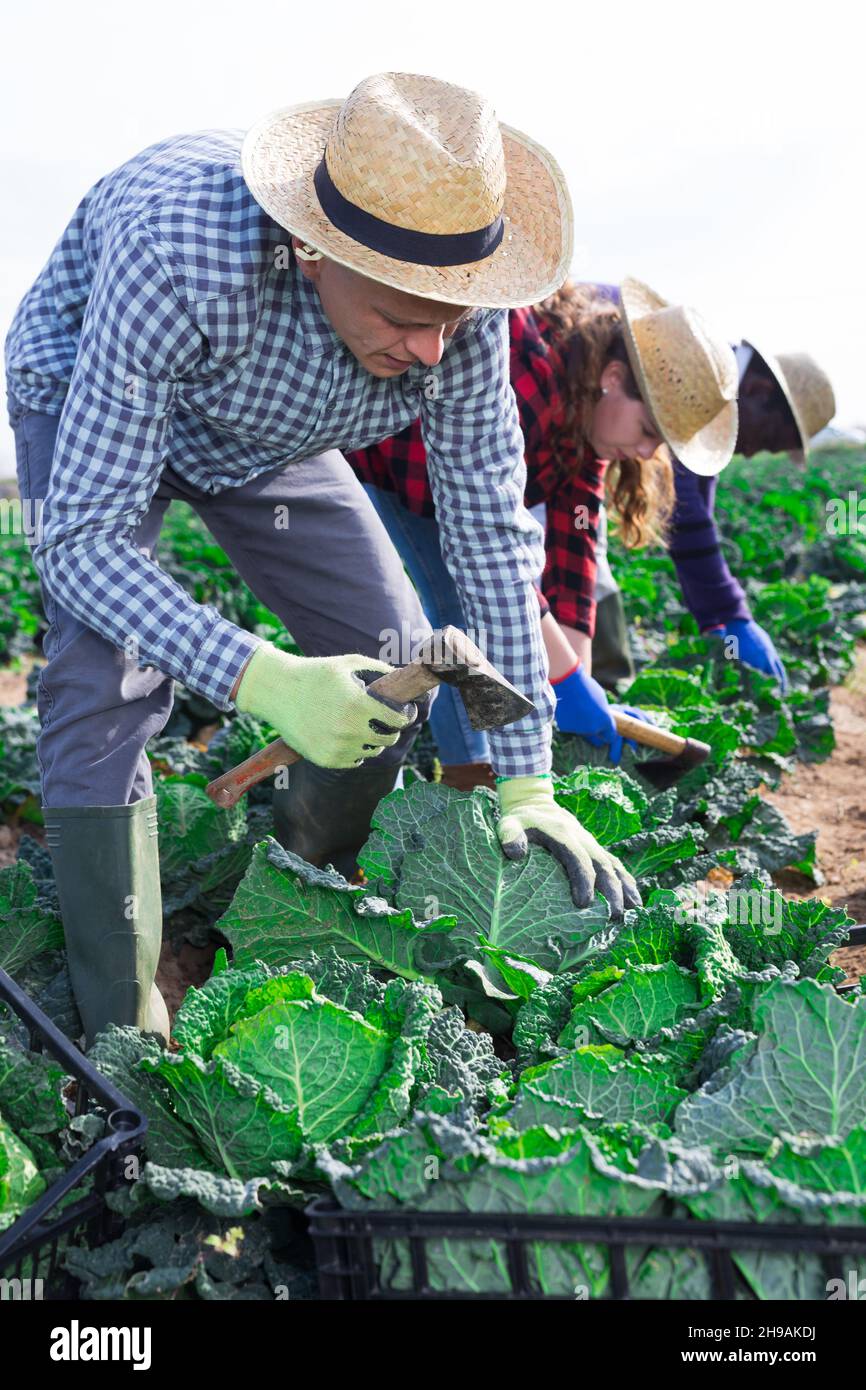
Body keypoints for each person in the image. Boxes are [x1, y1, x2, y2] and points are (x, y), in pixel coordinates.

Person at [6, 70, 647, 1047]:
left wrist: (526, 783)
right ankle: (124, 1030)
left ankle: (287, 906)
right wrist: (260, 677)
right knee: (101, 682)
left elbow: (486, 541)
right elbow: (82, 542)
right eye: (402, 317)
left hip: (274, 438)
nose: (433, 351)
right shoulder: (179, 253)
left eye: (450, 319)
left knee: (386, 649)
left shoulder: (453, 318)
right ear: (312, 250)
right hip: (94, 402)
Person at [348, 277, 739, 788]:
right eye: (649, 432)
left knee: (493, 623)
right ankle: (459, 779)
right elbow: (486, 537)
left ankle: (479, 776)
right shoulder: (528, 373)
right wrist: (565, 678)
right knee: (449, 618)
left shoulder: (587, 428)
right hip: (389, 465)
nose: (647, 455)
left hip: (455, 497)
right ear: (614, 377)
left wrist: (581, 681)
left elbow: (574, 562)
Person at [592, 341, 837, 690]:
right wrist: (733, 613)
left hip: (575, 488)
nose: (751, 453)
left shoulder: (724, 410)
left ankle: (593, 696)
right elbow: (682, 504)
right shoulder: (701, 372)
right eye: (765, 438)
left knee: (592, 584)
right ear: (757, 389)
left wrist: (715, 621)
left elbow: (694, 508)